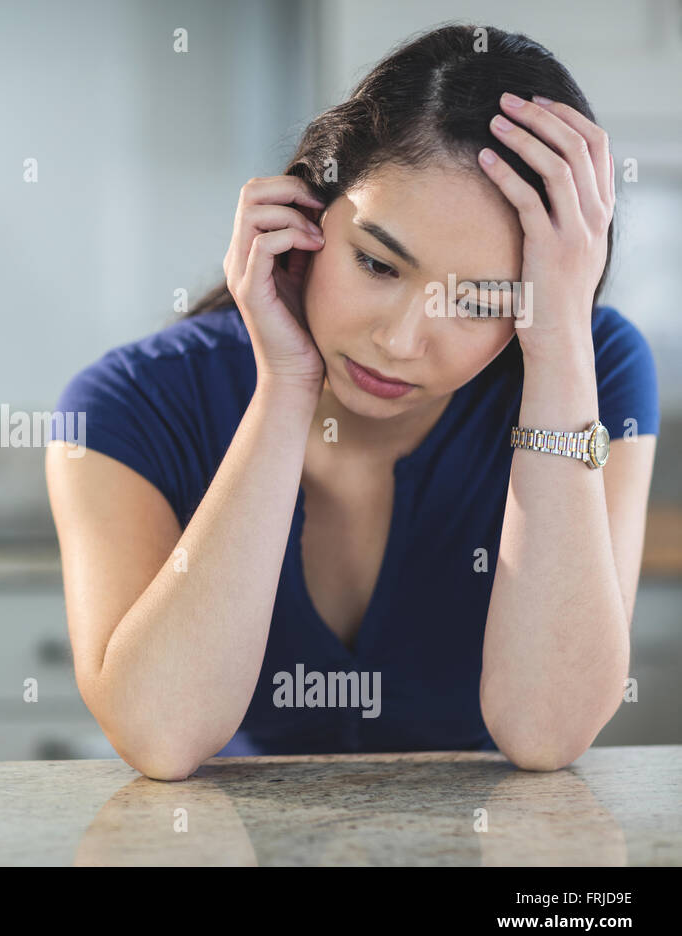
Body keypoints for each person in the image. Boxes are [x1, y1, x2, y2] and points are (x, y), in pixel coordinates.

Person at [44, 24, 659, 780]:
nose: (400, 341)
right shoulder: (127, 405)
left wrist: (561, 345)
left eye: (477, 303)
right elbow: (160, 737)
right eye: (376, 264)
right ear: (306, 216)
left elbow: (546, 733)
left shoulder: (589, 366)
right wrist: (285, 386)